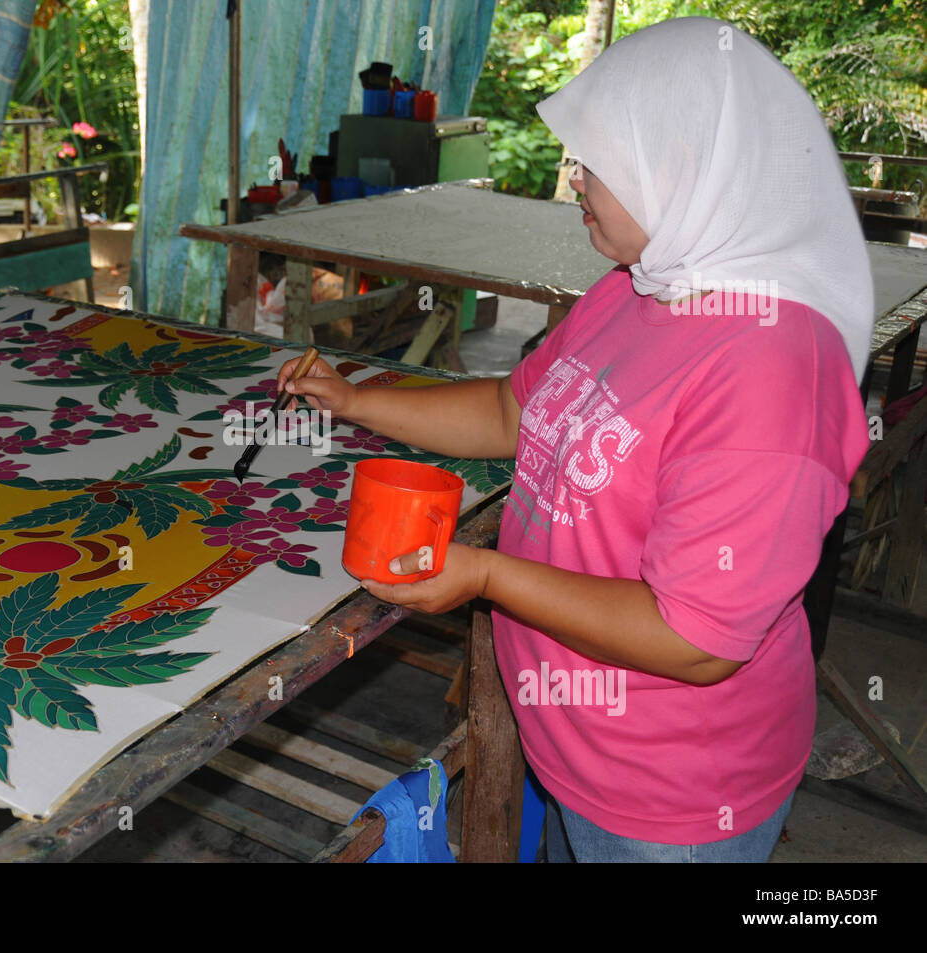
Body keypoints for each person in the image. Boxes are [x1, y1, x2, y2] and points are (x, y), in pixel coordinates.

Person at [276, 17, 873, 862]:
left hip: (674, 799)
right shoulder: (640, 286)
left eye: (598, 161)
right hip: (577, 751)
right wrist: (357, 400)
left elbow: (693, 639)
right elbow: (513, 415)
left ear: (682, 169)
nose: (577, 179)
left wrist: (484, 574)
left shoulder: (772, 369)